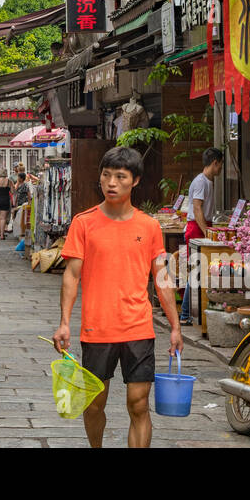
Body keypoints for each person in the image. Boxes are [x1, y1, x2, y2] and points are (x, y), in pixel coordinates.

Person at [53, 146, 183, 448]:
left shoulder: (149, 226)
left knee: (138, 404)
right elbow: (71, 275)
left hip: (138, 327)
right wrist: (63, 323)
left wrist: (175, 325)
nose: (111, 182)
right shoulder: (84, 223)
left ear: (134, 181)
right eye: (106, 175)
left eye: (120, 176)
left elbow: (161, 277)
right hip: (97, 328)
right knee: (94, 404)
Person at [180, 147, 224, 326]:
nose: (221, 168)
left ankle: (192, 312)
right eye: (220, 164)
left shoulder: (207, 181)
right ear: (215, 163)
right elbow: (197, 208)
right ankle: (184, 313)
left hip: (202, 226)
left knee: (201, 271)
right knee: (197, 271)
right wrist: (206, 232)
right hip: (197, 228)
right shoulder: (201, 182)